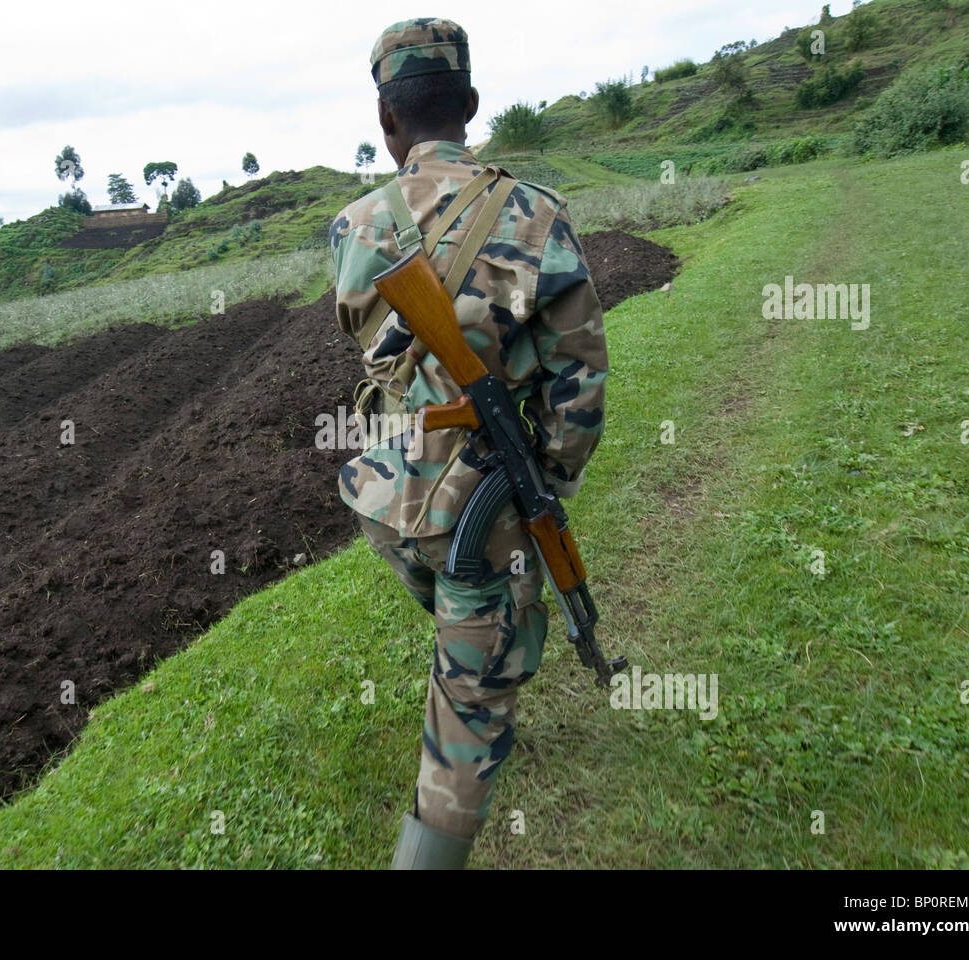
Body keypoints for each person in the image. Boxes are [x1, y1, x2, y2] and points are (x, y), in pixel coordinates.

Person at [329, 17, 608, 869]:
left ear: (386, 120)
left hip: (383, 497)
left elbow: (380, 361)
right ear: (473, 106)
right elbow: (578, 374)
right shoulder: (534, 213)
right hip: (474, 510)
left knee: (473, 621)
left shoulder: (354, 227)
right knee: (469, 708)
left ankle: (479, 655)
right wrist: (548, 475)